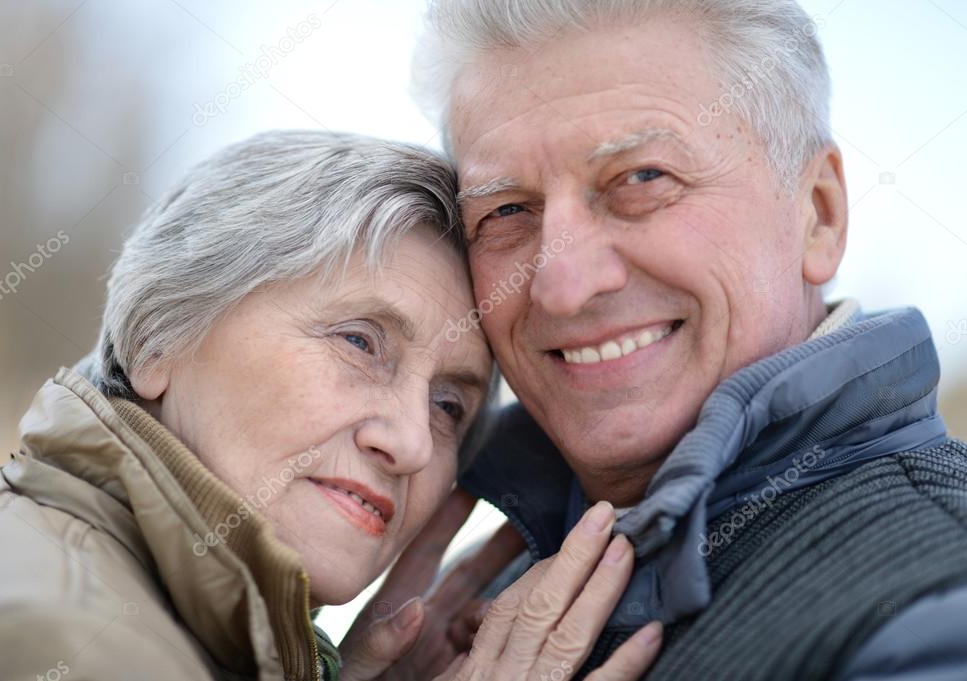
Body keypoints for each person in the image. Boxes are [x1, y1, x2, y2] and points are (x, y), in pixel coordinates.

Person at [346, 2, 967, 679]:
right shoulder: (471, 631)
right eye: (507, 211)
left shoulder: (934, 602)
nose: (562, 284)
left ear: (817, 214)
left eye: (642, 178)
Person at [0, 131, 662, 680]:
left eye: (449, 405)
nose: (411, 441)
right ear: (161, 335)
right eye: (358, 341)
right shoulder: (59, 641)